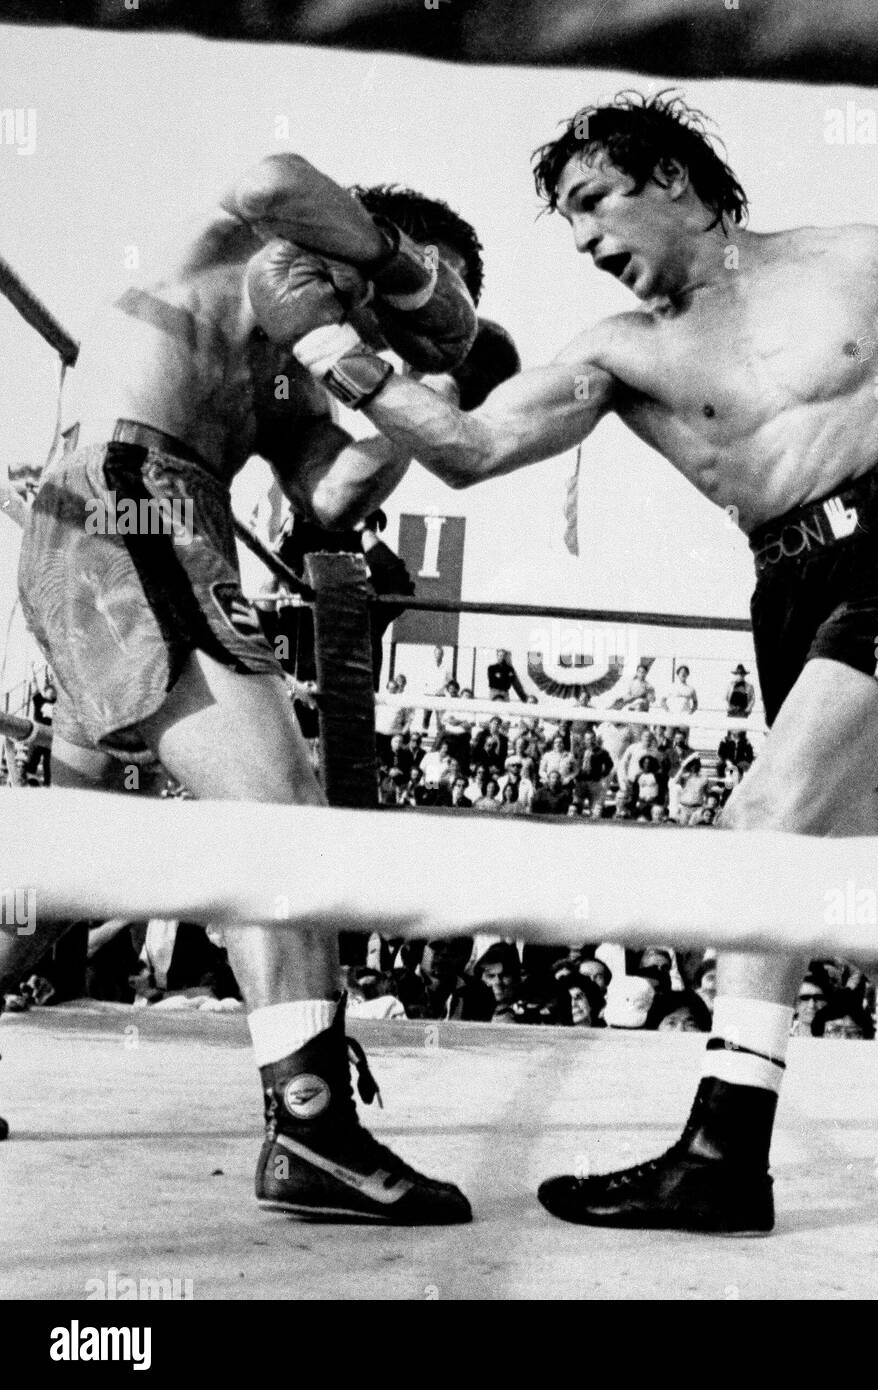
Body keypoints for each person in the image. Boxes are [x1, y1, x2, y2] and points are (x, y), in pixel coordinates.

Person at [248, 92, 878, 1235]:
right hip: (785, 593)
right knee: (858, 895)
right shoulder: (618, 353)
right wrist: (338, 354)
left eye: (591, 201)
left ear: (670, 180)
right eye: (567, 222)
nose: (582, 240)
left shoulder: (851, 258)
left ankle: (724, 1151)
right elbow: (470, 451)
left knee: (760, 826)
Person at [6, 154, 506, 1221]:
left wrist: (442, 391)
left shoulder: (289, 369)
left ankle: (310, 1121)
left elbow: (331, 494)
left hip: (153, 522)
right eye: (426, 295)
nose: (415, 326)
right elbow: (268, 174)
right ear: (378, 251)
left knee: (71, 869)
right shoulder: (239, 248)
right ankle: (313, 1127)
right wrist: (400, 267)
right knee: (277, 821)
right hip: (129, 501)